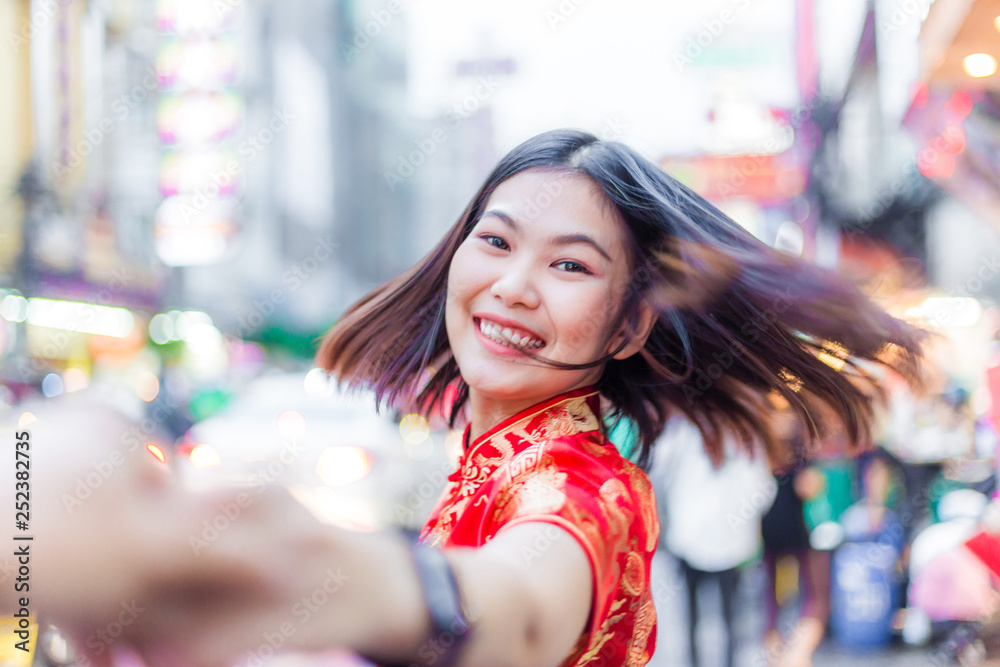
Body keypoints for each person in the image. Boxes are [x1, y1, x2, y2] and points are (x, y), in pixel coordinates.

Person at [4, 129, 926, 667]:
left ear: (627, 327)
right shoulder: (488, 455)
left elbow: (518, 603)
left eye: (571, 265)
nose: (514, 287)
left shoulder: (583, 488)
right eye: (497, 241)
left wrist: (319, 568)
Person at [650, 415, 775, 667]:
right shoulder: (687, 430)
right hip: (696, 540)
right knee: (706, 616)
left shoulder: (736, 433)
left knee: (721, 616)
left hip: (720, 541)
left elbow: (762, 487)